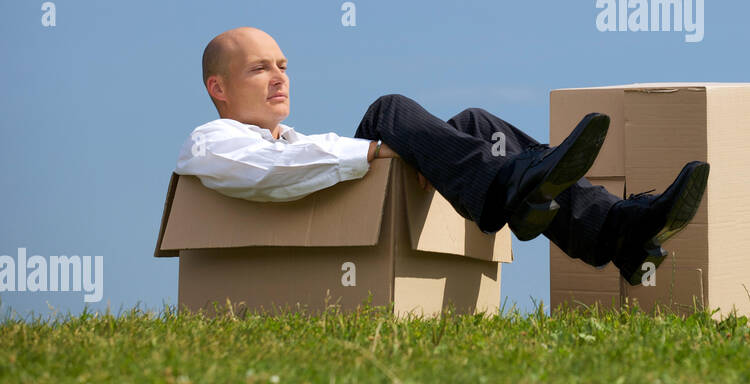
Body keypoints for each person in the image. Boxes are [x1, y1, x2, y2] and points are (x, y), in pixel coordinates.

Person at [174, 27, 709, 286]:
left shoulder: (292, 139)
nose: (279, 77)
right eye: (258, 69)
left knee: (478, 124)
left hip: (362, 190)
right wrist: (377, 151)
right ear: (217, 87)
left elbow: (294, 158)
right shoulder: (211, 142)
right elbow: (273, 177)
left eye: (282, 65)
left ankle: (617, 228)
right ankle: (510, 192)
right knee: (389, 110)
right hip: (344, 208)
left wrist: (384, 155)